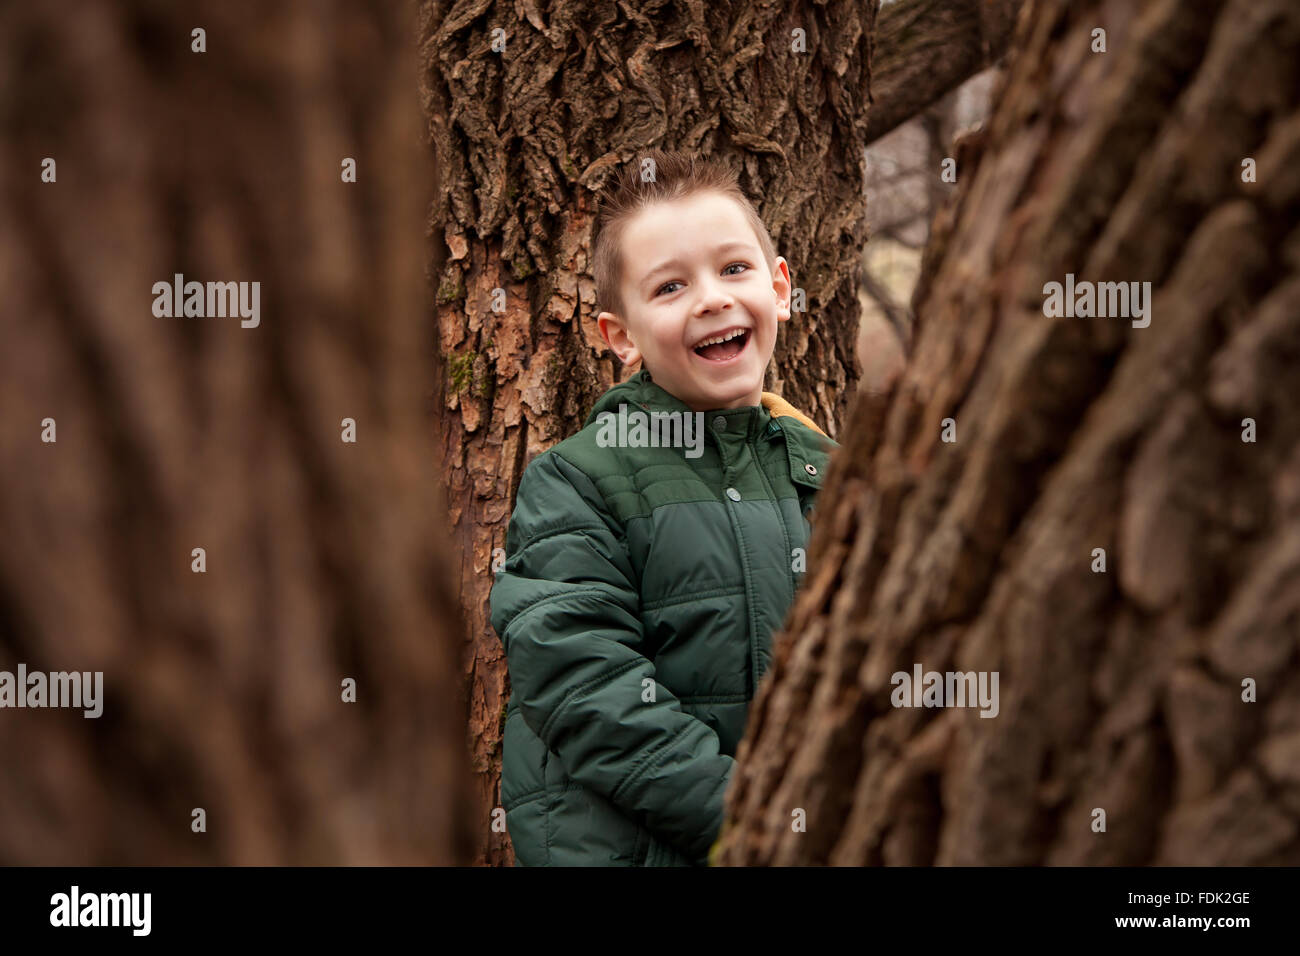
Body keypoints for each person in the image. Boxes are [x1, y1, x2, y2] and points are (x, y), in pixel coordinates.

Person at [489, 148, 838, 866]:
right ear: (621, 336)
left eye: (734, 269)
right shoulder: (580, 479)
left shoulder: (829, 472)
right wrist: (752, 826)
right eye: (671, 286)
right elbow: (582, 681)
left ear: (779, 289)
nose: (712, 298)